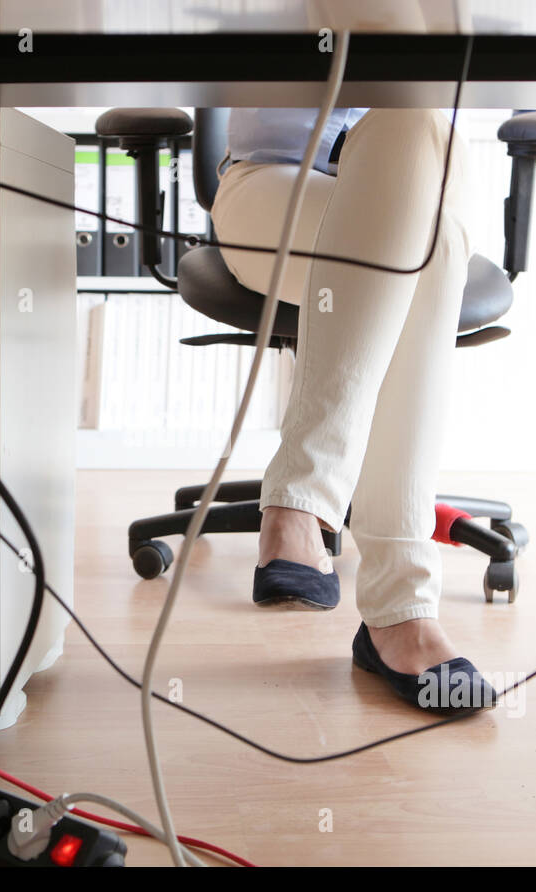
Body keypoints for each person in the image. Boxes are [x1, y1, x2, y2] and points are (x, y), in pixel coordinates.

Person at [210, 107, 495, 713]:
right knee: (427, 239)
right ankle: (401, 613)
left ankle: (301, 498)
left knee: (420, 134)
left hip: (406, 179)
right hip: (272, 183)